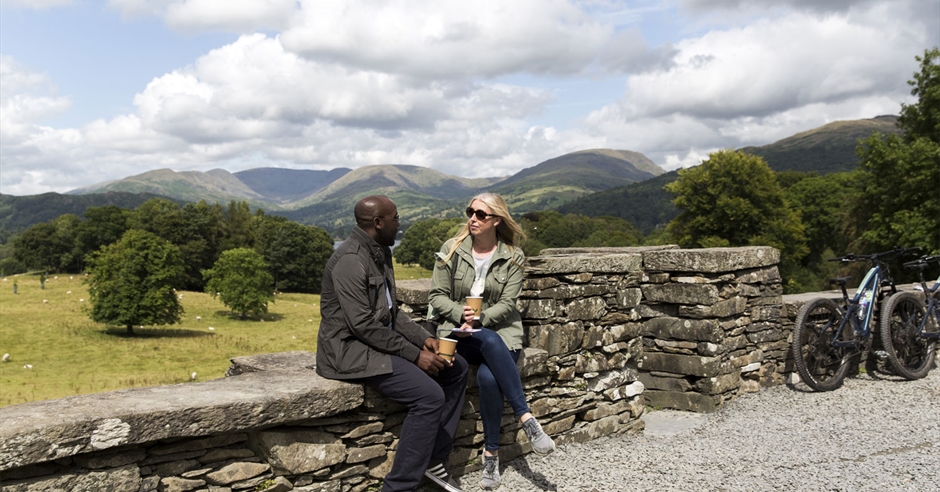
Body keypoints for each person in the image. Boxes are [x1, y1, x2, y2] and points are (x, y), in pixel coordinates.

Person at [316, 195, 469, 492]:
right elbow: (362, 325)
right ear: (378, 223)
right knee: (429, 396)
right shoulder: (350, 260)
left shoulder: (380, 253)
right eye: (396, 218)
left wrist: (424, 338)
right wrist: (414, 356)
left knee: (456, 367)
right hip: (348, 352)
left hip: (372, 344)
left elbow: (391, 313)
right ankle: (399, 487)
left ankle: (434, 459)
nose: (399, 224)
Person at [428, 193, 555, 490]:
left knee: (488, 377)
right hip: (456, 333)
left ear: (496, 220)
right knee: (485, 340)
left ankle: (491, 454)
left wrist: (480, 319)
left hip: (501, 332)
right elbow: (436, 296)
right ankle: (526, 418)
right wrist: (462, 313)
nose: (472, 218)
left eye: (481, 214)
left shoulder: (513, 256)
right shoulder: (452, 249)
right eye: (470, 211)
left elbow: (508, 304)